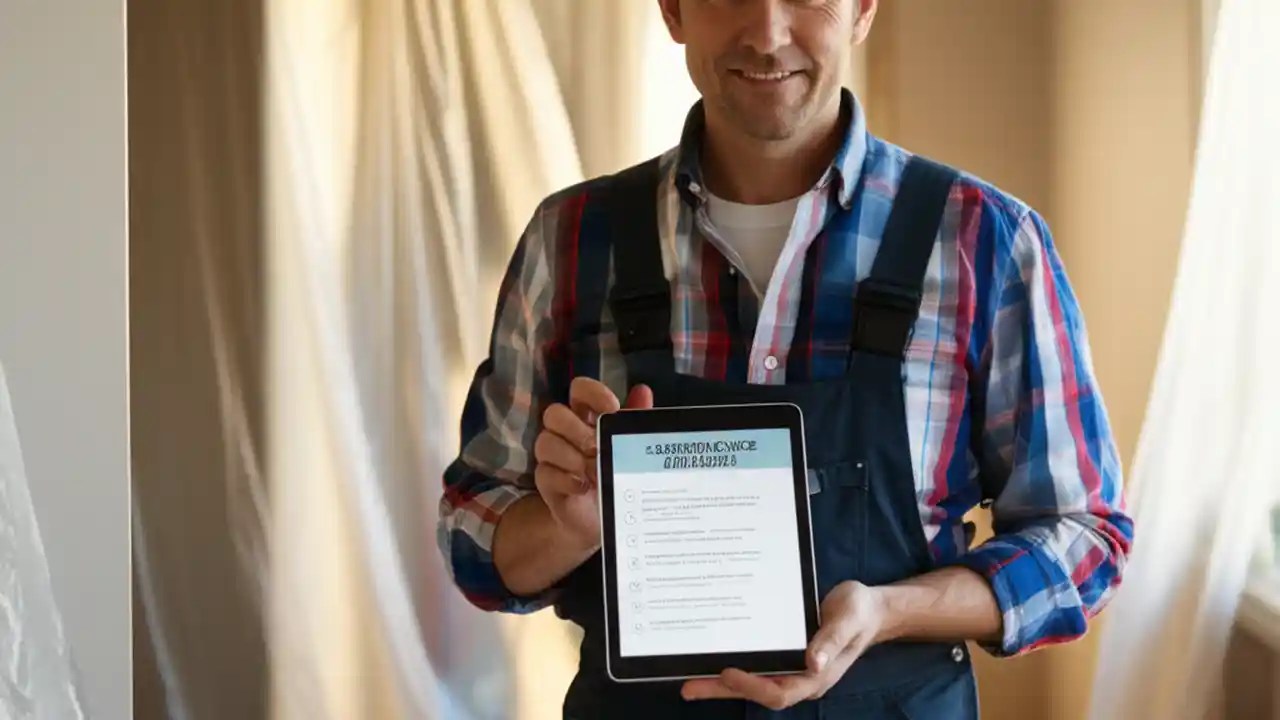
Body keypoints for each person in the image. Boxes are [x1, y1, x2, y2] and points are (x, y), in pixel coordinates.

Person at [438, 0, 1133, 717]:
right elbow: (474, 534)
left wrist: (891, 611)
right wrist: (568, 528)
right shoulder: (572, 240)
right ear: (673, 10)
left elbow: (1084, 538)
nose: (768, 35)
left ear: (862, 10)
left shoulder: (986, 241)